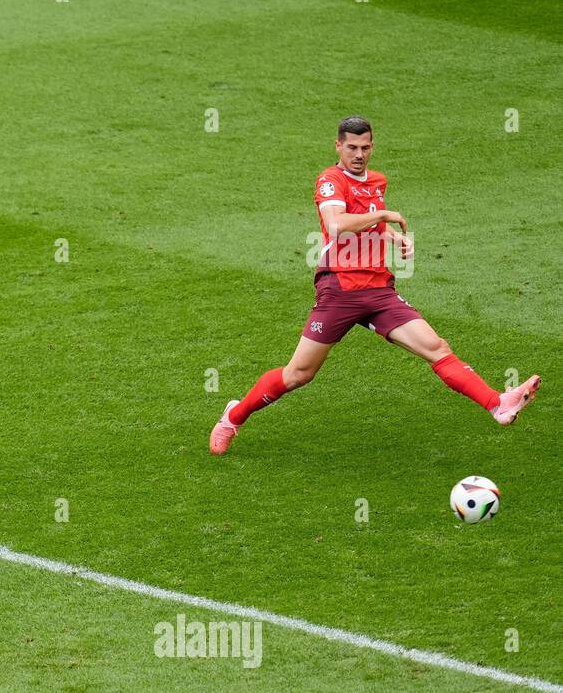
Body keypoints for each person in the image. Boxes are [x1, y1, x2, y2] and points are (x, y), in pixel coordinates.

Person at [210, 115, 540, 455]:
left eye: (365, 147)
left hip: (379, 291)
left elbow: (367, 221)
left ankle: (497, 404)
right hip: (338, 290)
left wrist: (393, 237)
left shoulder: (377, 181)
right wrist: (384, 217)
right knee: (298, 374)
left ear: (372, 147)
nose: (358, 154)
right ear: (338, 146)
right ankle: (232, 417)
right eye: (351, 147)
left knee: (436, 347)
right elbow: (337, 225)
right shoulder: (330, 180)